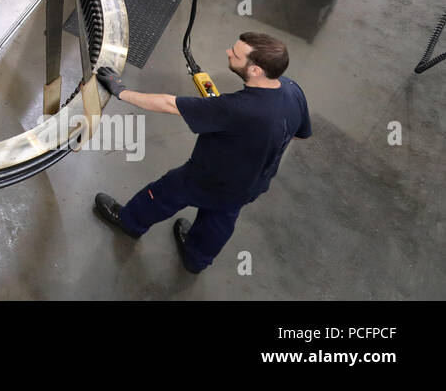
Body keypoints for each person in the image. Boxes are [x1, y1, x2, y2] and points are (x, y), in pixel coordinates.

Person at [92, 32, 311, 273]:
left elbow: (168, 104)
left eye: (235, 54)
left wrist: (120, 91)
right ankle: (196, 259)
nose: (229, 52)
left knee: (163, 193)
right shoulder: (292, 90)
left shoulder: (237, 108)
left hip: (207, 178)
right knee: (219, 220)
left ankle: (129, 222)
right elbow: (299, 133)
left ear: (256, 70)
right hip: (251, 184)